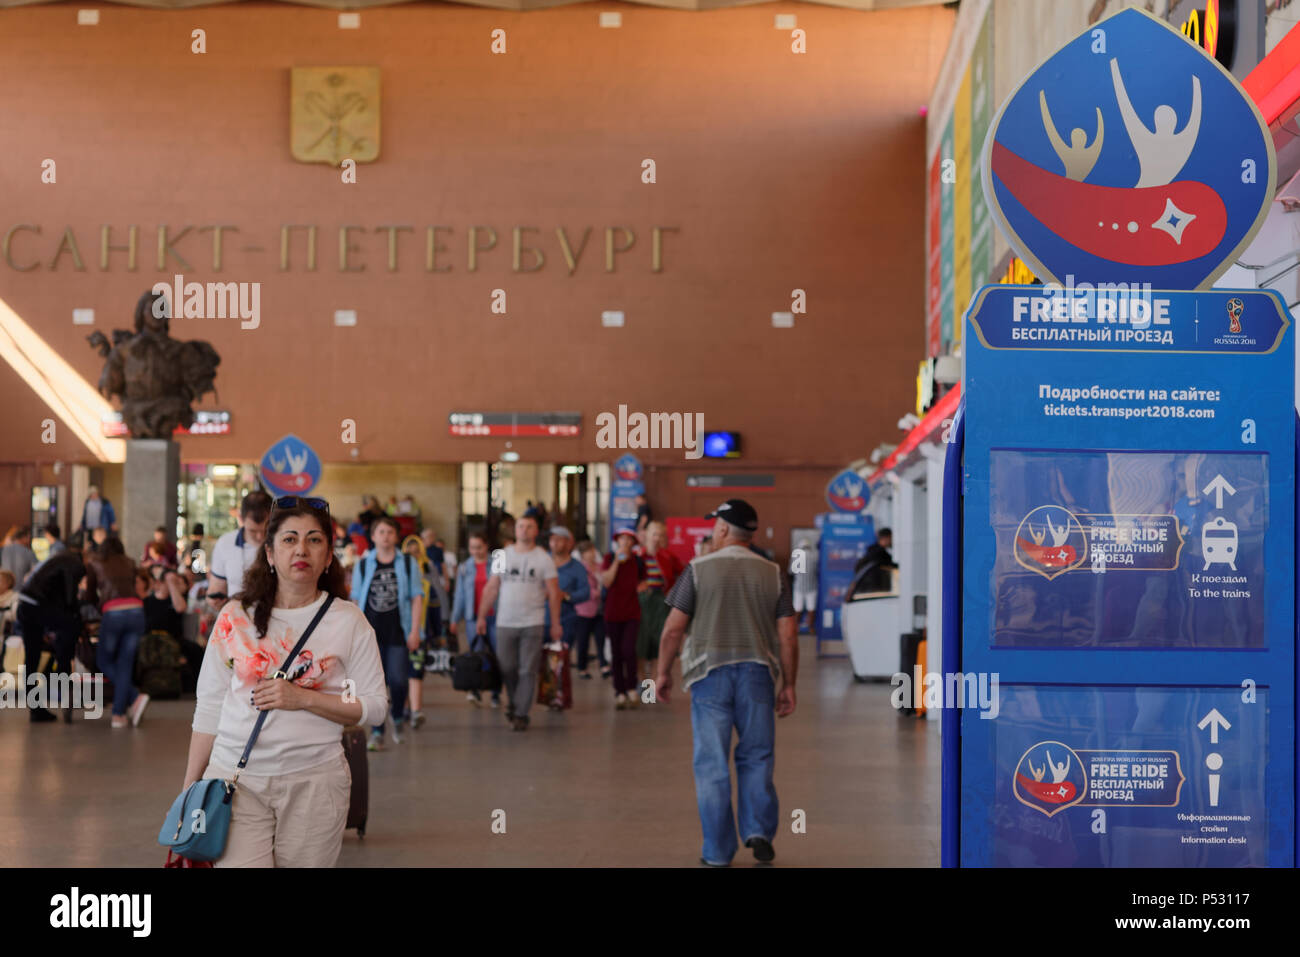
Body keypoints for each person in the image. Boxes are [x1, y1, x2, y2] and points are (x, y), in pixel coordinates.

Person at [183, 496, 387, 868]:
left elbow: (374, 707)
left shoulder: (348, 621)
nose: (301, 550)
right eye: (290, 539)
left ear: (328, 556)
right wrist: (188, 790)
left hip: (315, 781)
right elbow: (209, 705)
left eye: (314, 540)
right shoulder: (234, 616)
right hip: (234, 781)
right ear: (271, 554)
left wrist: (304, 699)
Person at [656, 498, 798, 867]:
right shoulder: (773, 572)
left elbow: (673, 629)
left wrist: (661, 673)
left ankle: (717, 853)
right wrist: (789, 684)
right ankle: (758, 830)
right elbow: (788, 635)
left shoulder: (698, 570)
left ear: (721, 529)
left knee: (711, 765)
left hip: (708, 675)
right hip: (757, 674)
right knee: (757, 756)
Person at [475, 514, 562, 732]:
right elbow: (492, 587)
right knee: (508, 668)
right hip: (505, 621)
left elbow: (553, 593)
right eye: (520, 526)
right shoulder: (503, 556)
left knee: (527, 670)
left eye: (529, 526)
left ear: (536, 531)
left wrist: (555, 623)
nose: (524, 530)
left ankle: (522, 713)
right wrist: (481, 615)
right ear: (515, 531)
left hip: (533, 621)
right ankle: (515, 702)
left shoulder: (543, 558)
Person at [351, 516, 423, 750]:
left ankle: (398, 715)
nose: (385, 536)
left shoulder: (408, 564)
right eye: (381, 532)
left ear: (396, 536)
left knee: (399, 680)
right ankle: (377, 731)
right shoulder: (363, 564)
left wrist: (415, 631)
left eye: (390, 532)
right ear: (373, 536)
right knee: (374, 686)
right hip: (370, 634)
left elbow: (416, 598)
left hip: (398, 631)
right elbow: (355, 599)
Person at [15, 542, 93, 723]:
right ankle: (63, 666)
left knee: (32, 657)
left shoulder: (54, 560)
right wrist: (77, 614)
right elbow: (68, 597)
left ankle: (36, 709)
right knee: (70, 628)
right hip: (38, 607)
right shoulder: (75, 565)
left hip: (25, 605)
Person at [86, 537, 150, 728]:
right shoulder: (129, 562)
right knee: (125, 662)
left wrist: (100, 608)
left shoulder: (95, 563)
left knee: (104, 660)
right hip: (137, 611)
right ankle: (118, 714)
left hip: (113, 613)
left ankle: (133, 697)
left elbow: (90, 594)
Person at [451, 530, 500, 708]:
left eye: (479, 547)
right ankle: (476, 690)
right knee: (476, 655)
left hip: (495, 617)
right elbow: (460, 595)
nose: (476, 551)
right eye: (472, 547)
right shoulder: (465, 567)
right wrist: (454, 619)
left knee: (496, 655)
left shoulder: (496, 564)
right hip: (473, 618)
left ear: (486, 546)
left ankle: (496, 693)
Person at [600, 527, 645, 710]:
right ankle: (619, 691)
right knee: (616, 653)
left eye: (629, 539)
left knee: (630, 650)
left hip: (632, 612)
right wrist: (617, 562)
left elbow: (644, 582)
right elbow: (607, 582)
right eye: (622, 539)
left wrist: (640, 589)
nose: (625, 543)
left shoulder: (639, 561)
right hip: (613, 612)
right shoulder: (609, 559)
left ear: (634, 543)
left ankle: (634, 688)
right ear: (617, 541)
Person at [207, 490, 273, 613]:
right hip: (237, 619)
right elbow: (217, 586)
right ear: (240, 519)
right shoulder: (225, 543)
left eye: (265, 530)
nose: (260, 537)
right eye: (253, 531)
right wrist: (214, 599)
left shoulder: (284, 543)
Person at [636, 521, 683, 686]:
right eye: (654, 534)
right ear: (647, 535)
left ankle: (652, 686)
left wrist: (673, 591)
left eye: (660, 535)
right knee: (641, 646)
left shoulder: (667, 556)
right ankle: (644, 682)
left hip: (661, 603)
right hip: (641, 603)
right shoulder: (638, 556)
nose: (657, 538)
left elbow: (684, 576)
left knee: (659, 645)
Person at [546, 527, 590, 695]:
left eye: (559, 539)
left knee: (558, 659)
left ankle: (555, 695)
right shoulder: (543, 561)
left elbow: (585, 592)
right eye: (552, 539)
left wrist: (566, 596)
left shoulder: (577, 567)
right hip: (540, 618)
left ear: (569, 542)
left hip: (566, 620)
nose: (554, 543)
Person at [402, 533, 435, 729]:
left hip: (421, 630)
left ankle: (415, 711)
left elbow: (437, 601)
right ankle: (404, 707)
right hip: (399, 630)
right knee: (400, 673)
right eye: (409, 552)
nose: (413, 556)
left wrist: (439, 629)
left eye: (416, 552)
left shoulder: (429, 569)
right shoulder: (399, 570)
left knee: (415, 671)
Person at [571, 541, 606, 680]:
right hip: (584, 609)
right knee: (583, 640)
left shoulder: (599, 566)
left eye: (592, 550)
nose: (592, 553)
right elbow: (580, 587)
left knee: (601, 638)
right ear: (582, 554)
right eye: (588, 551)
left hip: (599, 608)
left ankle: (603, 665)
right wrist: (596, 593)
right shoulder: (580, 569)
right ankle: (582, 667)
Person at [853, 528, 897, 593]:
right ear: (887, 538)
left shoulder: (873, 552)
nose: (893, 541)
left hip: (869, 592)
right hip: (873, 592)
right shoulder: (878, 554)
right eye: (892, 538)